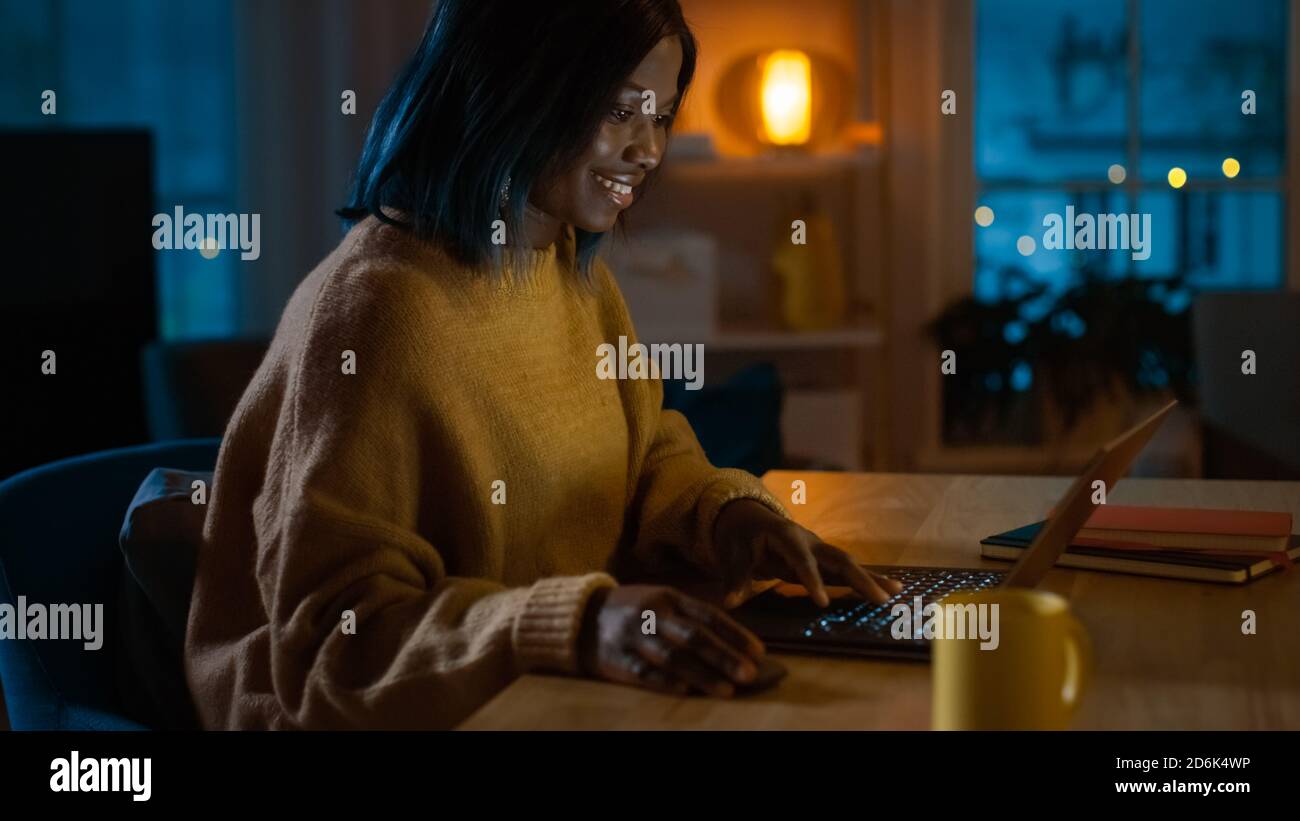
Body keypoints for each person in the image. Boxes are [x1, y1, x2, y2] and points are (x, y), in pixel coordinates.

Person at [184, 0, 900, 730]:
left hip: (552, 696)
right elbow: (330, 647)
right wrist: (580, 624)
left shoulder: (563, 262)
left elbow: (642, 450)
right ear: (515, 90)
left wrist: (731, 518)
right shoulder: (378, 310)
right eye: (622, 111)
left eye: (660, 115)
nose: (649, 148)